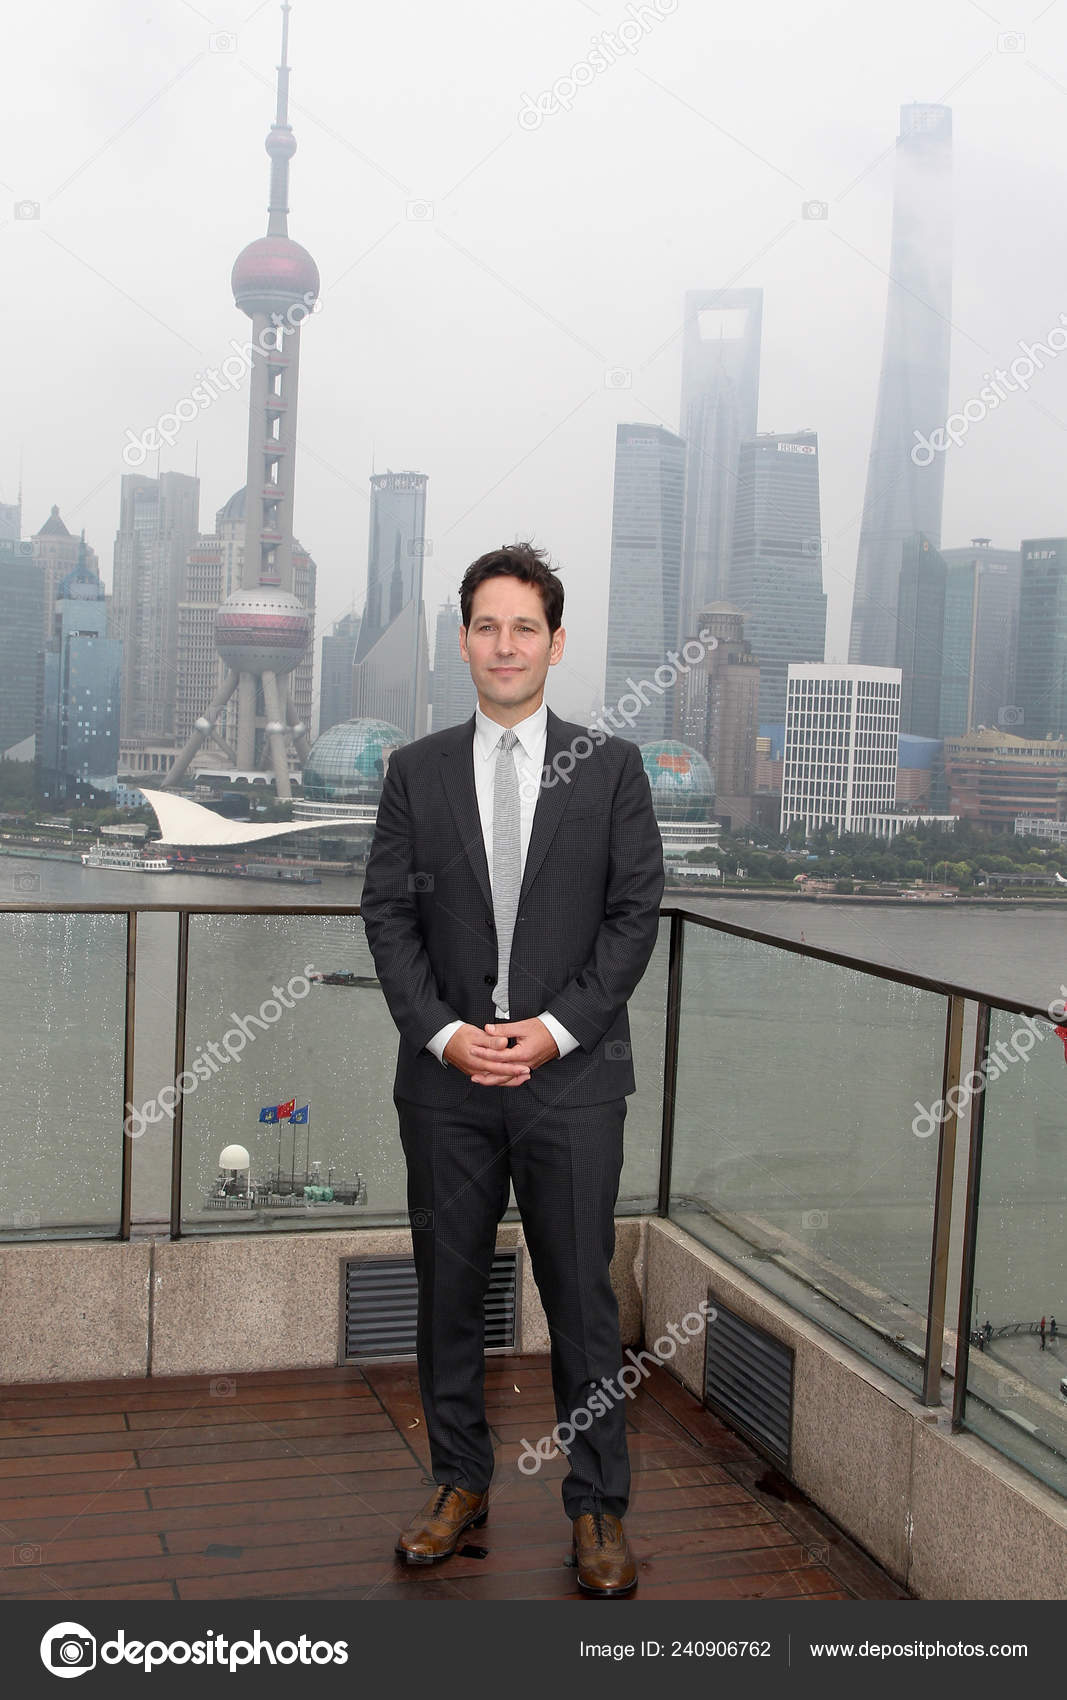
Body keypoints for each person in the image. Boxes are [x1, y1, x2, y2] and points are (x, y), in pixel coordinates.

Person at [360, 542, 664, 1597]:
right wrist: (447, 1034)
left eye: (523, 627)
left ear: (555, 643)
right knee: (447, 1289)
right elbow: (387, 916)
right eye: (486, 626)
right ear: (462, 642)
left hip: (571, 1083)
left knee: (581, 1297)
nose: (504, 644)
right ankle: (458, 1481)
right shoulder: (414, 770)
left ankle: (597, 1504)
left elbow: (633, 918)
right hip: (445, 1083)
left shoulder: (611, 767)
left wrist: (554, 1029)